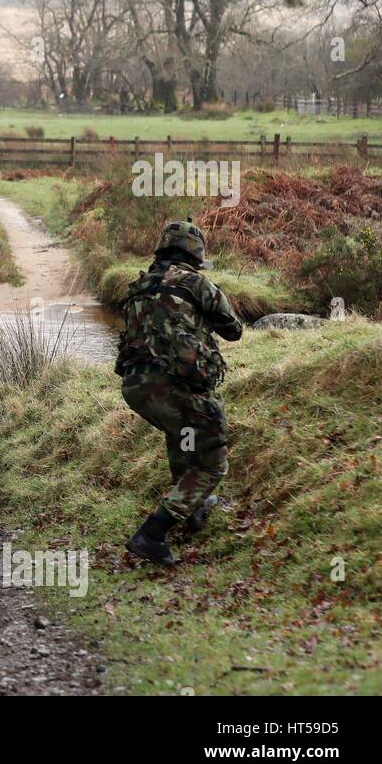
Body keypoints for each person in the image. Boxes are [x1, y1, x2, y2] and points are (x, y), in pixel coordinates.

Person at [116, 220, 244, 567]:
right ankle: (153, 533)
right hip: (176, 386)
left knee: (183, 435)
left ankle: (193, 509)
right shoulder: (197, 283)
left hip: (136, 387)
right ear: (196, 254)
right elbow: (233, 329)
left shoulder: (138, 286)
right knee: (213, 462)